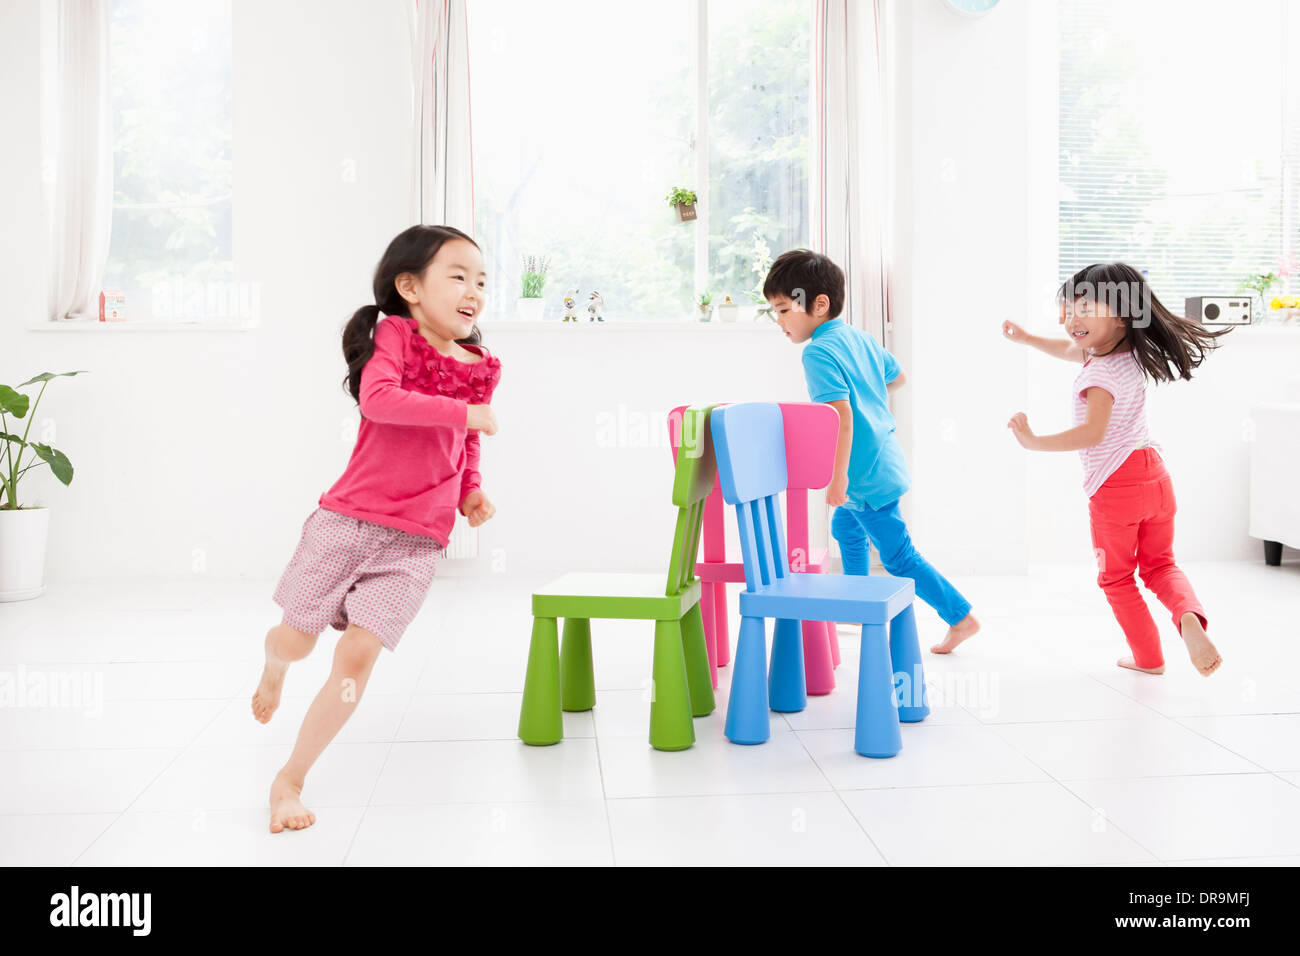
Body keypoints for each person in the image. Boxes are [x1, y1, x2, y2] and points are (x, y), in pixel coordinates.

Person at [251, 224, 501, 833]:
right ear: (409, 286)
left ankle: (291, 778)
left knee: (358, 655)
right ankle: (275, 667)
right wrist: (462, 411)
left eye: (482, 281)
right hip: (347, 522)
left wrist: (469, 489)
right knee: (297, 640)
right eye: (459, 276)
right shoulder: (394, 334)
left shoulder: (481, 365)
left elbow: (465, 439)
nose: (474, 291)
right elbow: (379, 400)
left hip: (418, 538)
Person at [1004, 261, 1225, 676]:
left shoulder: (1100, 375)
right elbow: (1071, 350)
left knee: (1117, 579)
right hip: (1156, 476)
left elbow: (1092, 434)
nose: (1072, 319)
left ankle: (1149, 659)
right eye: (1068, 309)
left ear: (1122, 318)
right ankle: (1188, 617)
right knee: (1162, 565)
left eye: (1085, 310)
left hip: (1116, 488)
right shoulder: (1131, 352)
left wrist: (1034, 442)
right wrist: (1029, 338)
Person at [764, 249, 980, 654]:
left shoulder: (817, 352)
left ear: (819, 304)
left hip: (862, 474)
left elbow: (840, 419)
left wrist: (837, 478)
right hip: (883, 460)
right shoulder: (859, 338)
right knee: (845, 528)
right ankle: (856, 598)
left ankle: (960, 617)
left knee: (899, 558)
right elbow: (897, 378)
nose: (780, 322)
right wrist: (871, 401)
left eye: (782, 310)